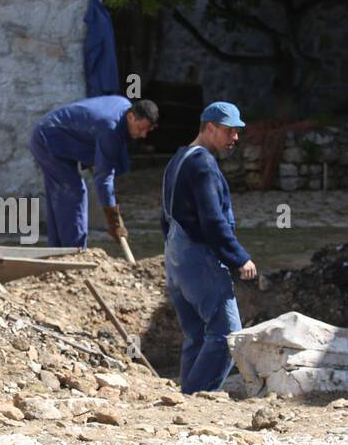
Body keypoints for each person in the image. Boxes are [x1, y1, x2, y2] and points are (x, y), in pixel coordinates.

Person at [160, 102, 257, 394]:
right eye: (229, 131)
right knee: (226, 335)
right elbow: (213, 221)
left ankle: (185, 398)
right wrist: (239, 258)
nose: (235, 138)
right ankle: (198, 399)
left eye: (237, 131)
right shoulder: (203, 164)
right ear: (210, 127)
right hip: (199, 259)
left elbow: (164, 216)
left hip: (176, 260)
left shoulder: (178, 158)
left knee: (197, 335)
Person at [29, 95, 158, 248]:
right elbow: (104, 180)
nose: (143, 135)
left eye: (147, 131)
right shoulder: (111, 128)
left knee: (60, 197)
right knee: (74, 192)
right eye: (141, 129)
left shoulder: (124, 105)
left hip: (58, 138)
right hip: (47, 140)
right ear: (131, 116)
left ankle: (57, 253)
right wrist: (114, 221)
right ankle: (75, 254)